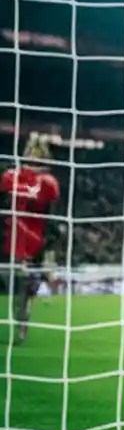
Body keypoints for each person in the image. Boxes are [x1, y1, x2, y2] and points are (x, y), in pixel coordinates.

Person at [1, 136, 60, 346]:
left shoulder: (47, 183)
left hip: (34, 246)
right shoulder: (12, 177)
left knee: (24, 293)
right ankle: (21, 321)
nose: (33, 154)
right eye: (30, 150)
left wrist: (49, 247)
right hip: (11, 241)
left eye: (38, 151)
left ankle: (22, 326)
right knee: (15, 290)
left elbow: (52, 216)